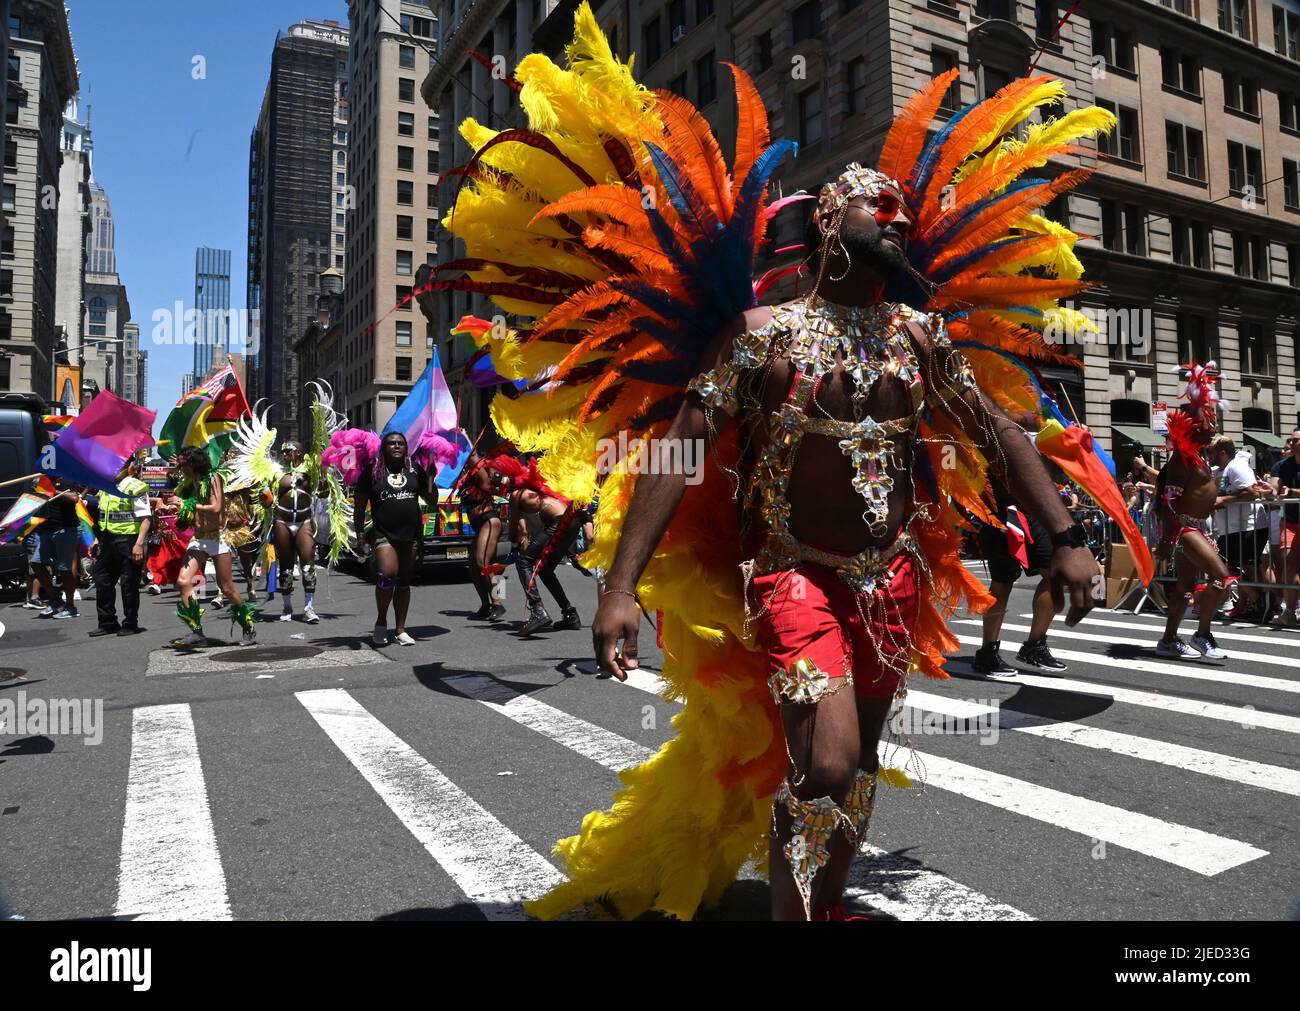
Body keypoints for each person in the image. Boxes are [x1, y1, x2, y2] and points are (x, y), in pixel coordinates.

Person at [593, 170, 1097, 919]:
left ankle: (825, 905)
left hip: (892, 581)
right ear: (830, 222)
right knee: (824, 761)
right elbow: (681, 448)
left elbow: (997, 429)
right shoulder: (762, 335)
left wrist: (1066, 534)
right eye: (879, 206)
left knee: (858, 765)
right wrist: (619, 585)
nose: (898, 219)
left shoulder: (917, 335)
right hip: (795, 579)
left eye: (904, 211)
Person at [1153, 365, 1236, 659]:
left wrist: (1220, 499)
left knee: (1185, 588)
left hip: (1196, 527)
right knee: (1221, 577)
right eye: (1205, 423)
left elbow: (1197, 495)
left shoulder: (1196, 457)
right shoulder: (1181, 460)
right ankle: (1202, 634)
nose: (1212, 428)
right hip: (1184, 529)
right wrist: (1165, 540)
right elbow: (1168, 501)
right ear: (1190, 428)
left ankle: (1168, 640)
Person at [161, 446, 257, 647]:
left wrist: (187, 504)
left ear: (193, 464)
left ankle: (248, 626)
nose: (180, 467)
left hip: (218, 538)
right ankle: (197, 633)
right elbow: (186, 502)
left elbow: (216, 508)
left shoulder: (213, 478)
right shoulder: (191, 482)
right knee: (183, 581)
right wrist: (178, 507)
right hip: (199, 537)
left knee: (227, 588)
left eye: (183, 463)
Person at [970, 492, 1067, 677]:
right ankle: (987, 653)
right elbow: (950, 466)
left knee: (1054, 573)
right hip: (999, 511)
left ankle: (1034, 646)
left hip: (1034, 510)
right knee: (1002, 580)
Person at [354, 432, 430, 647]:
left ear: (406, 448)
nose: (396, 446)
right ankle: (381, 622)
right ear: (383, 448)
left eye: (401, 444)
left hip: (411, 535)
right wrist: (360, 534)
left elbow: (431, 499)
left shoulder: (415, 470)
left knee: (404, 582)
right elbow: (359, 507)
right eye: (391, 443)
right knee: (387, 576)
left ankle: (400, 629)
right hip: (383, 533)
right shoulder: (372, 472)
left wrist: (431, 476)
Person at [497, 456, 581, 636]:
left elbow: (513, 532)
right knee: (545, 569)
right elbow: (522, 526)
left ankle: (538, 611)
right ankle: (570, 614)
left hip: (559, 523)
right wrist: (524, 534)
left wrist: (516, 539)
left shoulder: (516, 495)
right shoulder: (533, 491)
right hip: (571, 521)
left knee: (523, 563)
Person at [87, 457, 153, 636]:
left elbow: (145, 518)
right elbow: (103, 516)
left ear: (127, 466)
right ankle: (107, 622)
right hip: (107, 540)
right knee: (102, 580)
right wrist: (96, 540)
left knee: (129, 583)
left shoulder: (135, 486)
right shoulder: (105, 486)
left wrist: (139, 544)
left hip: (128, 540)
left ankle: (130, 623)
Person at [1209, 436, 1270, 621]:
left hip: (1248, 525)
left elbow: (1253, 492)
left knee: (1249, 568)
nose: (1207, 455)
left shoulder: (1238, 466)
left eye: (1209, 451)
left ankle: (1263, 604)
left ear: (1222, 452)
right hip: (1229, 529)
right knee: (1221, 567)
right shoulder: (1218, 470)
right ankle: (1255, 601)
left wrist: (1223, 500)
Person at [271, 440, 320, 624]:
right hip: (282, 521)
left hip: (303, 520)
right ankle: (287, 606)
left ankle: (309, 609)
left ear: (298, 453)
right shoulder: (276, 472)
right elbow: (268, 498)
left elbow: (322, 491)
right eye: (283, 452)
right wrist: (265, 500)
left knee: (308, 566)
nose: (284, 454)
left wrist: (323, 486)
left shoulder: (311, 470)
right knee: (286, 566)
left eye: (288, 451)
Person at [460, 447, 509, 621]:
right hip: (479, 525)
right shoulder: (466, 475)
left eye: (470, 455)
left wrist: (469, 446)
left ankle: (498, 604)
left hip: (489, 521)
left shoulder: (481, 470)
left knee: (483, 562)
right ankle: (485, 605)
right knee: (473, 565)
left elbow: (487, 485)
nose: (467, 457)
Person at [31, 480, 80, 620]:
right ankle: (55, 600)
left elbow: (74, 498)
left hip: (65, 529)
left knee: (64, 569)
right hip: (46, 531)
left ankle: (71, 607)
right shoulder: (40, 481)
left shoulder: (64, 480)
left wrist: (52, 490)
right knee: (36, 563)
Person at [1268, 429, 1300, 628]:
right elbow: (1274, 487)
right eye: (1290, 439)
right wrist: (1268, 490)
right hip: (1289, 522)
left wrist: (1293, 491)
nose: (1290, 442)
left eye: (1295, 439)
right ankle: (1289, 611)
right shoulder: (1281, 466)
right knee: (1289, 563)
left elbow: (1289, 491)